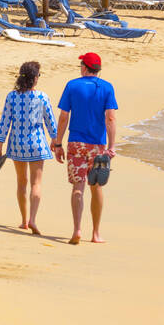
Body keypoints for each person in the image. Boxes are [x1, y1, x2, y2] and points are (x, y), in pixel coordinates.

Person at [52, 52, 118, 245]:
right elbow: (110, 118)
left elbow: (64, 117)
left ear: (84, 67)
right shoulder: (106, 87)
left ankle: (77, 229)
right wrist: (111, 147)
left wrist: (58, 143)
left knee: (77, 187)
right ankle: (96, 233)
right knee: (96, 188)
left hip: (75, 144)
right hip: (97, 146)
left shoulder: (72, 85)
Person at [0, 61, 56, 236]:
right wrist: (55, 142)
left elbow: (4, 123)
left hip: (17, 144)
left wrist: (0, 146)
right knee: (36, 183)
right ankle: (33, 219)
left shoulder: (12, 97)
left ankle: (23, 221)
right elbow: (50, 121)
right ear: (35, 78)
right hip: (37, 144)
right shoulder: (42, 97)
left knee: (22, 182)